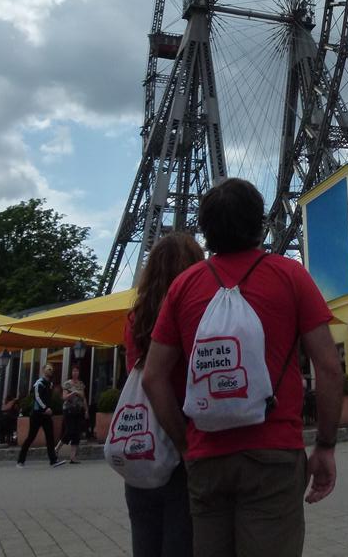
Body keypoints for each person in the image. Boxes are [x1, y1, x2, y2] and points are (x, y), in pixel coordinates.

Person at [143, 177, 344, 557]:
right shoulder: (290, 275)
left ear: (206, 230)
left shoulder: (183, 286)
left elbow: (153, 377)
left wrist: (186, 444)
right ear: (260, 222)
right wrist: (326, 445)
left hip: (206, 458)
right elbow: (330, 367)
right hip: (274, 452)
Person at [124, 231, 205, 557]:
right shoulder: (194, 315)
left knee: (145, 541)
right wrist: (186, 445)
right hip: (183, 442)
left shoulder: (135, 319)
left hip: (142, 447)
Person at [17, 364, 66, 467]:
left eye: (51, 369)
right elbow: (37, 397)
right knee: (31, 437)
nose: (50, 370)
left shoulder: (50, 384)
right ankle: (20, 460)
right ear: (43, 371)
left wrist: (50, 408)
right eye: (48, 369)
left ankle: (53, 460)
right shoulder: (39, 383)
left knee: (50, 437)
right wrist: (45, 408)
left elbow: (49, 398)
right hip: (37, 414)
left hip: (46, 415)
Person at [56, 366, 87, 463]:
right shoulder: (67, 384)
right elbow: (64, 397)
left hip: (78, 410)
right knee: (70, 430)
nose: (75, 373)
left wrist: (86, 410)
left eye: (77, 371)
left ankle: (73, 457)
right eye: (74, 371)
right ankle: (56, 449)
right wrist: (73, 393)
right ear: (71, 372)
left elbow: (83, 397)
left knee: (77, 433)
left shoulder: (81, 384)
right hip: (69, 409)